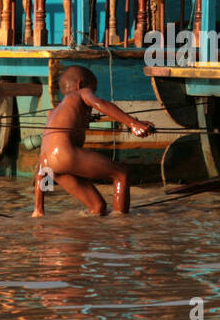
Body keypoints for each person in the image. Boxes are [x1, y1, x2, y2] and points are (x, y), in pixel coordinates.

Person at [32, 65, 155, 217]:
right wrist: (133, 124)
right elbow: (99, 104)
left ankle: (86, 233)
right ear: (80, 85)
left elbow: (42, 162)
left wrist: (39, 208)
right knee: (121, 174)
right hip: (66, 155)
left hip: (49, 167)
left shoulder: (53, 113)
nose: (92, 93)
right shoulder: (82, 92)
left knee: (98, 207)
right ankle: (121, 227)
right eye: (93, 89)